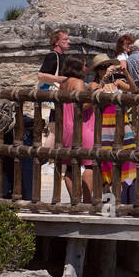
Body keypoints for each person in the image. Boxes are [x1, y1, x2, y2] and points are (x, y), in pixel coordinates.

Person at [88, 54, 137, 200]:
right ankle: (108, 199)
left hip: (122, 124)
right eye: (102, 68)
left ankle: (123, 196)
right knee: (106, 161)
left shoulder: (117, 83)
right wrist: (103, 79)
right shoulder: (94, 84)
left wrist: (126, 73)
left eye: (106, 67)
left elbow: (134, 90)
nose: (105, 70)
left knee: (126, 157)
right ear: (97, 70)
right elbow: (94, 92)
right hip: (104, 126)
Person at [57, 56, 95, 202]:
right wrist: (94, 95)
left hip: (66, 126)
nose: (85, 69)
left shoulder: (63, 83)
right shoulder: (77, 82)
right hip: (81, 126)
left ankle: (75, 200)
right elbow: (82, 105)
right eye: (84, 66)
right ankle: (86, 200)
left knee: (71, 166)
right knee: (89, 163)